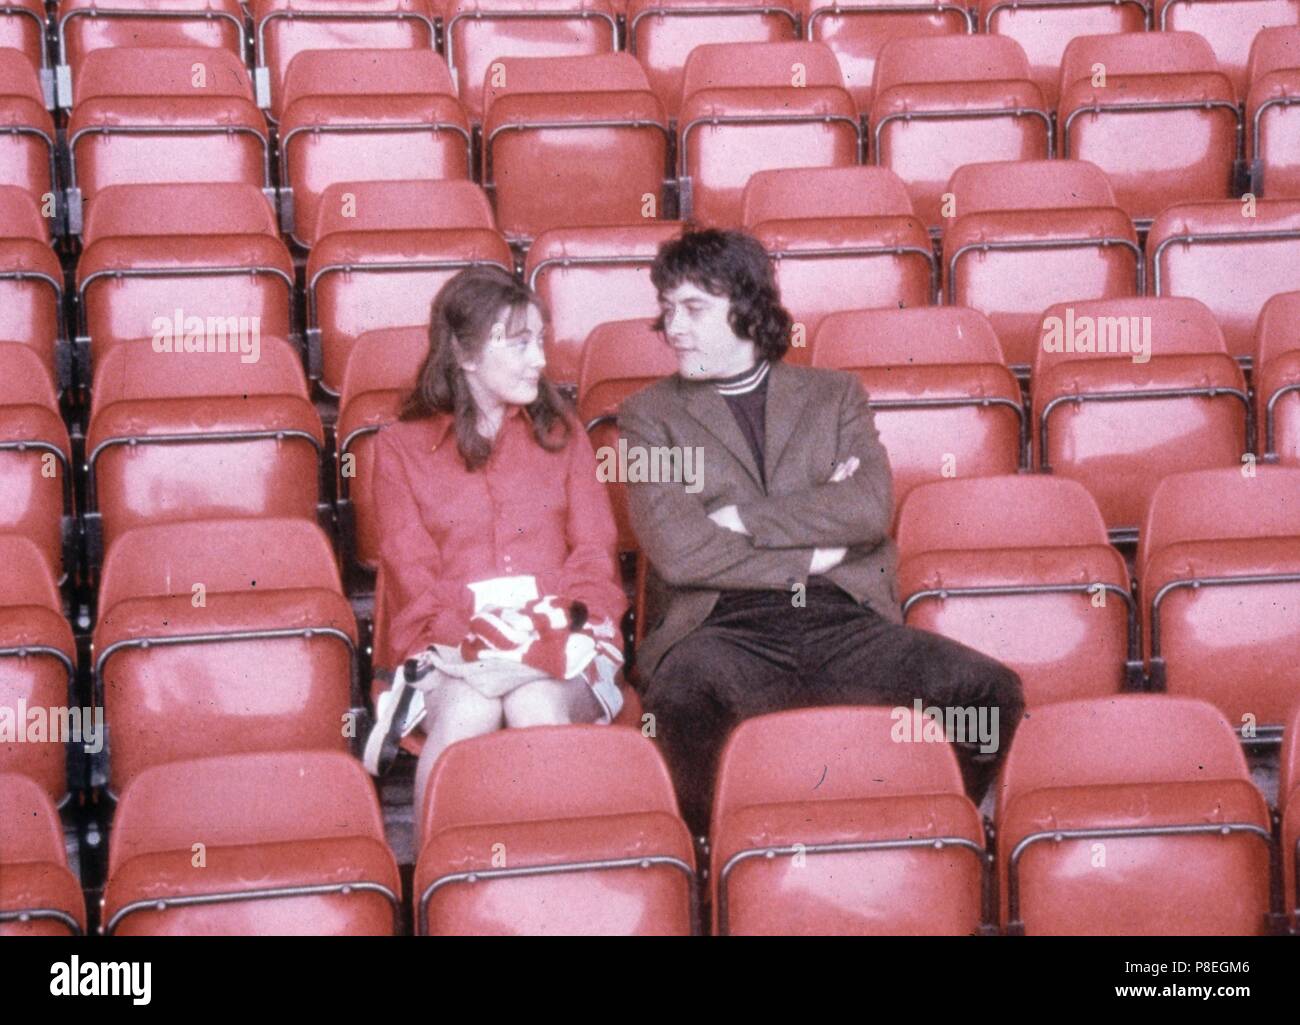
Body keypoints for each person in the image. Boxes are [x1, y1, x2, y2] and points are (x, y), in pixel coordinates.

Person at [618, 228, 1025, 840]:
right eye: (668, 309)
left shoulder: (835, 396)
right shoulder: (648, 417)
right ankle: (725, 857)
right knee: (680, 703)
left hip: (844, 621)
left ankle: (924, 832)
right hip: (723, 626)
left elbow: (866, 508)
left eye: (693, 308)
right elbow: (678, 551)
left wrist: (744, 519)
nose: (673, 327)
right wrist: (813, 550)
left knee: (987, 694)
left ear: (746, 306)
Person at [364, 266, 628, 815]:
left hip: (564, 630)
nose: (539, 359)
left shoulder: (563, 433)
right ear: (464, 355)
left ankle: (559, 874)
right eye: (519, 343)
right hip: (450, 642)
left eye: (541, 342)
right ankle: (442, 882)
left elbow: (594, 554)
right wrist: (486, 634)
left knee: (535, 702)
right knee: (469, 712)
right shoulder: (399, 449)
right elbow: (411, 574)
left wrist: (549, 627)